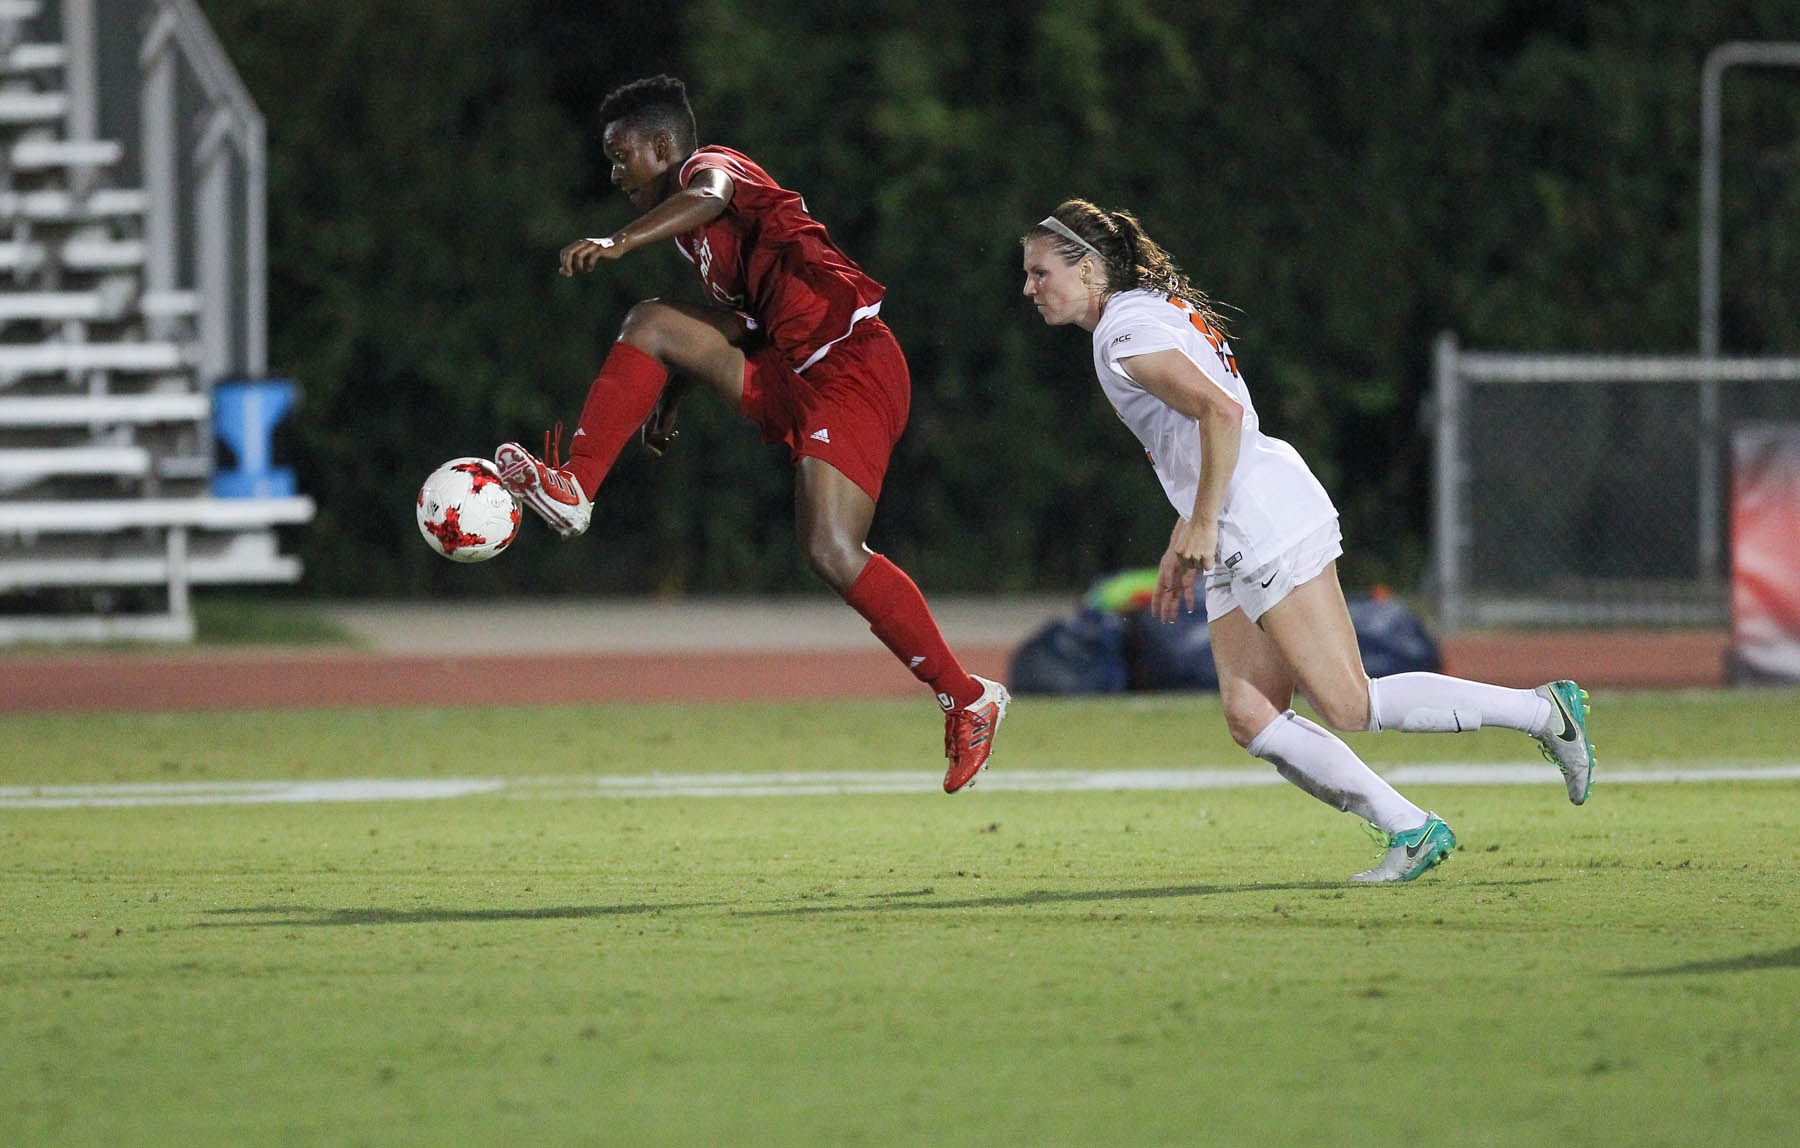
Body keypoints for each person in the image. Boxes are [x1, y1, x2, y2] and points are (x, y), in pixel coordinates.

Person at [1021, 200, 1593, 883]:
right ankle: (1411, 828)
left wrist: (1200, 522)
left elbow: (1223, 412)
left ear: (1087, 269)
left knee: (1350, 703)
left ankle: (1542, 711)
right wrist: (1189, 526)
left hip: (1259, 518)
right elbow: (1215, 423)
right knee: (1251, 712)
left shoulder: (1122, 334)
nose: (1030, 288)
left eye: (1039, 271)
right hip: (1242, 513)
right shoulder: (1142, 312)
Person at [495, 74, 1007, 792]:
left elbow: (708, 194)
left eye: (621, 157)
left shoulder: (714, 169)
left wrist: (620, 240)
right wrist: (670, 396)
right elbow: (741, 324)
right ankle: (576, 485)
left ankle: (968, 697)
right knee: (649, 323)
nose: (614, 175)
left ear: (665, 146)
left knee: (830, 549)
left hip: (850, 364)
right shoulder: (701, 245)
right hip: (790, 365)